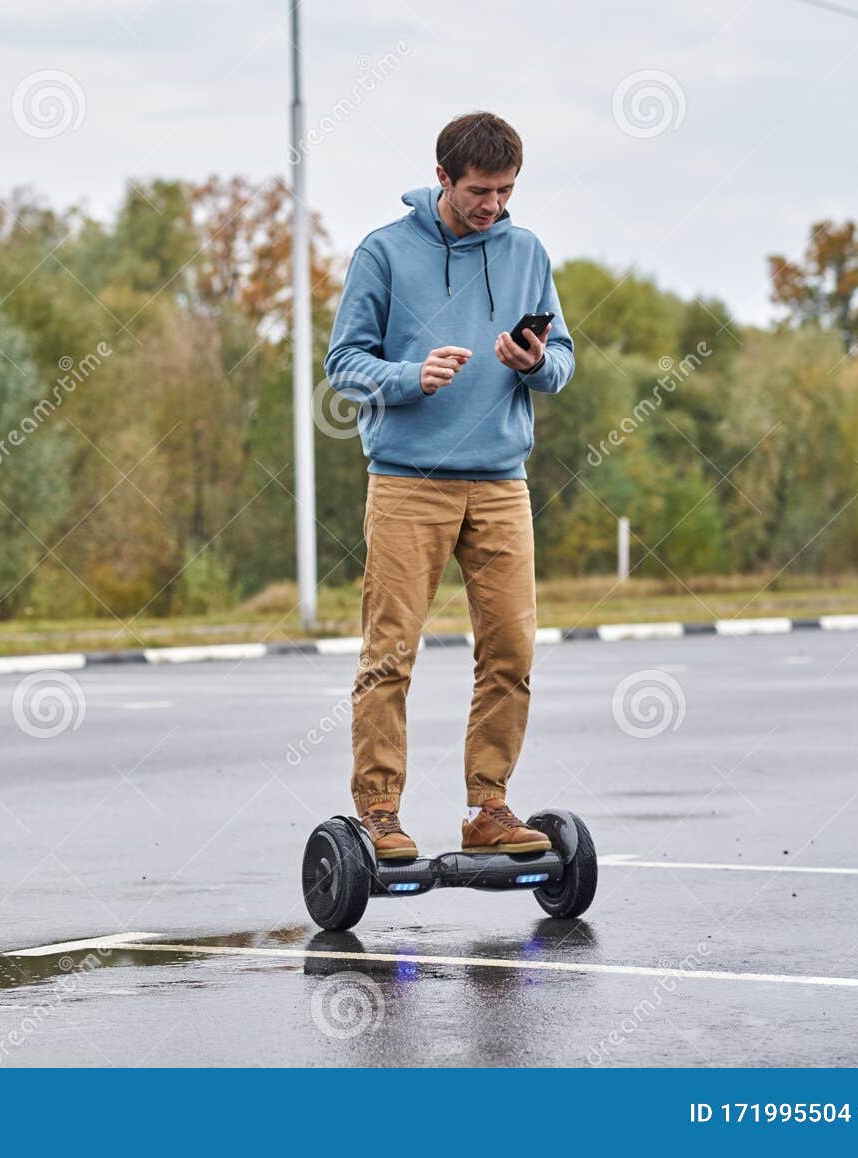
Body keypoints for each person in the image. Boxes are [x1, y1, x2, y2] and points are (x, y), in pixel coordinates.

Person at [324, 111, 574, 860]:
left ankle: (487, 808)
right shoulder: (384, 252)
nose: (491, 205)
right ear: (441, 178)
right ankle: (379, 812)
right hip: (408, 481)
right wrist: (409, 375)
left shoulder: (527, 251)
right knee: (390, 651)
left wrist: (534, 362)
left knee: (511, 650)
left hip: (501, 482)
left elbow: (560, 360)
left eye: (504, 191)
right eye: (478, 191)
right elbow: (343, 363)